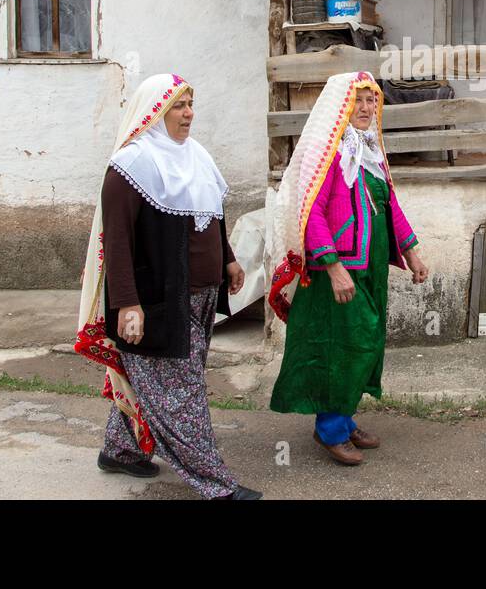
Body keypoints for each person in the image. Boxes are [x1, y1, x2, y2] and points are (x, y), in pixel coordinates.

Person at [74, 72, 261, 500]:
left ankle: (120, 450)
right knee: (181, 393)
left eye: (191, 104)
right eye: (178, 105)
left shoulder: (195, 156)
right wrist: (127, 305)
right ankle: (214, 484)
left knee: (167, 380)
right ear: (154, 112)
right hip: (156, 301)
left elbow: (212, 214)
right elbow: (117, 242)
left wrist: (229, 260)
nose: (189, 113)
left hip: (199, 295)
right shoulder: (129, 167)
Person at [267, 70, 430, 466]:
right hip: (338, 270)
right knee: (342, 346)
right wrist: (333, 266)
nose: (366, 108)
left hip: (371, 267)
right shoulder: (327, 153)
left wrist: (411, 251)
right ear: (341, 105)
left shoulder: (370, 152)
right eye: (358, 100)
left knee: (365, 343)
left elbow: (390, 206)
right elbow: (312, 215)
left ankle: (344, 413)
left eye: (372, 100)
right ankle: (331, 429)